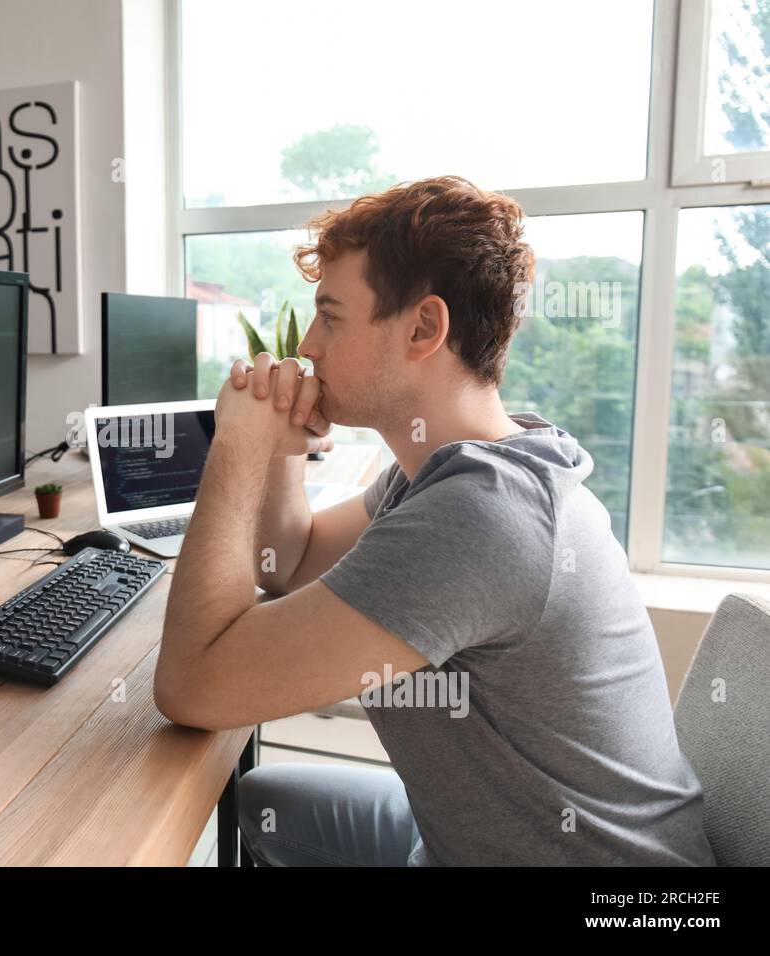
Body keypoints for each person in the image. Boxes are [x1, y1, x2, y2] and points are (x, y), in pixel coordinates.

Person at [152, 175, 715, 866]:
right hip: (456, 844)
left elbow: (193, 687)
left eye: (330, 316)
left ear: (423, 328)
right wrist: (281, 448)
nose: (312, 347)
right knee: (266, 803)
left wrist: (234, 444)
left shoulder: (482, 518)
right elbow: (289, 561)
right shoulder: (448, 472)